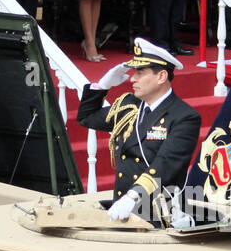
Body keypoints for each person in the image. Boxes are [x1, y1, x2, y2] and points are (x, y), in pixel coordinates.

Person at [77, 37, 201, 224]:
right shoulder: (128, 106)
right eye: (134, 72)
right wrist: (102, 86)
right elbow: (86, 117)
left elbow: (165, 164)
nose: (133, 78)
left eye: (140, 73)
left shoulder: (184, 117)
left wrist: (133, 196)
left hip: (158, 215)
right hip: (122, 209)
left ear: (161, 77)